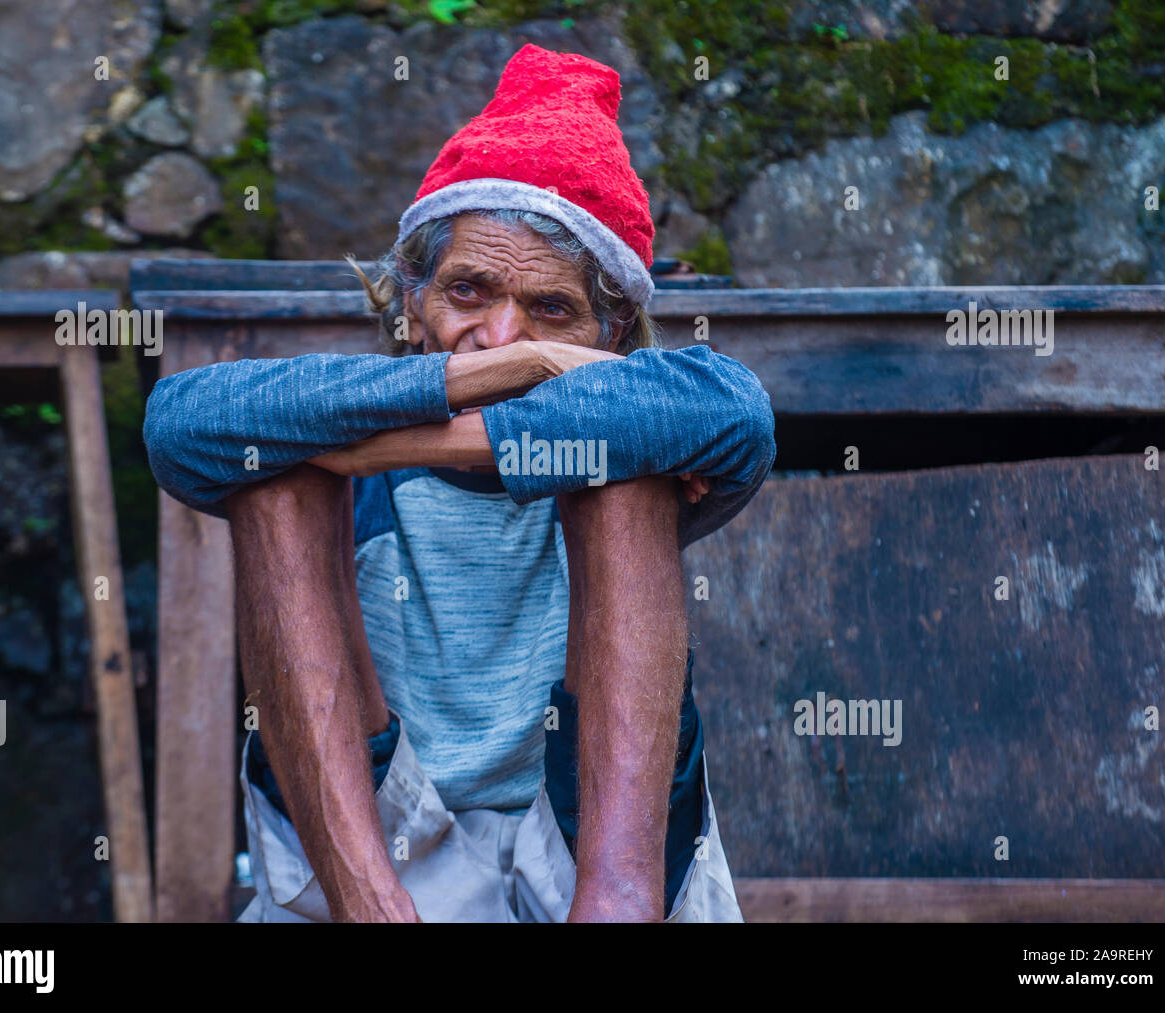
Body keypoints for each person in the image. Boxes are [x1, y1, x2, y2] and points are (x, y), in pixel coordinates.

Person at [142, 43, 776, 923]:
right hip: (373, 857)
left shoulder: (648, 409)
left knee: (624, 470)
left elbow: (737, 414)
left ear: (612, 331)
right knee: (275, 478)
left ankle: (617, 913)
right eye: (468, 291)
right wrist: (478, 383)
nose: (500, 336)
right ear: (412, 299)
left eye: (551, 310)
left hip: (585, 847)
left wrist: (429, 437)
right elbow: (182, 422)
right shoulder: (381, 421)